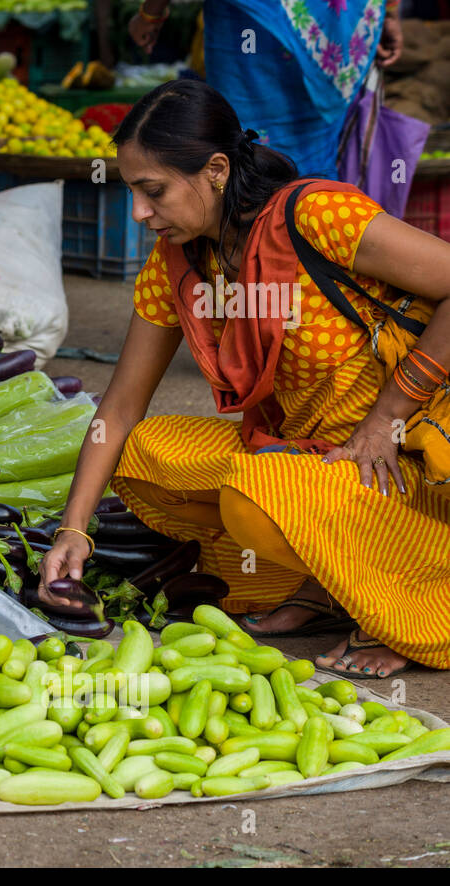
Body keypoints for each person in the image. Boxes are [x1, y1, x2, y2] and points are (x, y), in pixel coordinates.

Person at [38, 80, 450, 680]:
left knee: (259, 496)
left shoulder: (316, 217)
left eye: (153, 192)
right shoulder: (179, 262)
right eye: (131, 192)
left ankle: (417, 596)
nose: (139, 213)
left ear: (216, 170)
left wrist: (384, 421)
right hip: (310, 457)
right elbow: (122, 407)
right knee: (147, 457)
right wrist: (73, 529)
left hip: (403, 453)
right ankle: (327, 584)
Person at [130, 0, 403, 179]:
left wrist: (151, 13)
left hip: (252, 23)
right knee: (309, 152)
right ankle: (307, 240)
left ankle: (260, 249)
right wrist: (389, 11)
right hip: (331, 20)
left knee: (247, 146)